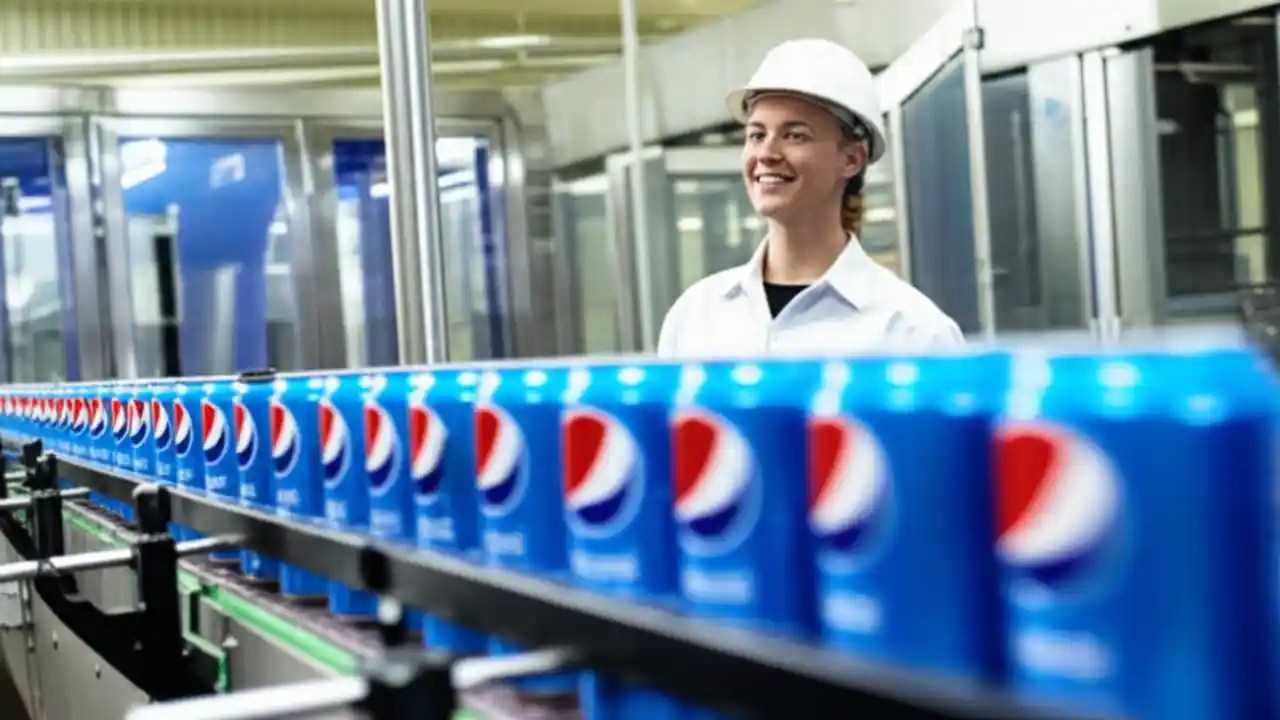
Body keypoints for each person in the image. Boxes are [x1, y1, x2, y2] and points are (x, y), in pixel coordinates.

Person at [656, 39, 963, 357]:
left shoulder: (913, 332)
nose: (767, 153)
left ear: (852, 160)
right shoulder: (695, 318)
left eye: (794, 135)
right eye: (757, 135)